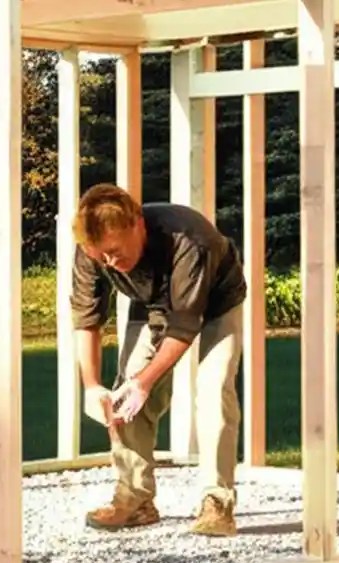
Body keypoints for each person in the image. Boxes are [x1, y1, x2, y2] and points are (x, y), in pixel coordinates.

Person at [69, 183, 247, 537]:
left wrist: (145, 382)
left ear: (138, 224)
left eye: (115, 253)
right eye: (100, 256)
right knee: (122, 397)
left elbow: (184, 325)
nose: (109, 263)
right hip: (151, 301)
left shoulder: (189, 240)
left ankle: (217, 503)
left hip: (216, 301)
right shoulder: (93, 250)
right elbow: (87, 317)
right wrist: (91, 385)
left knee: (214, 390)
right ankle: (135, 499)